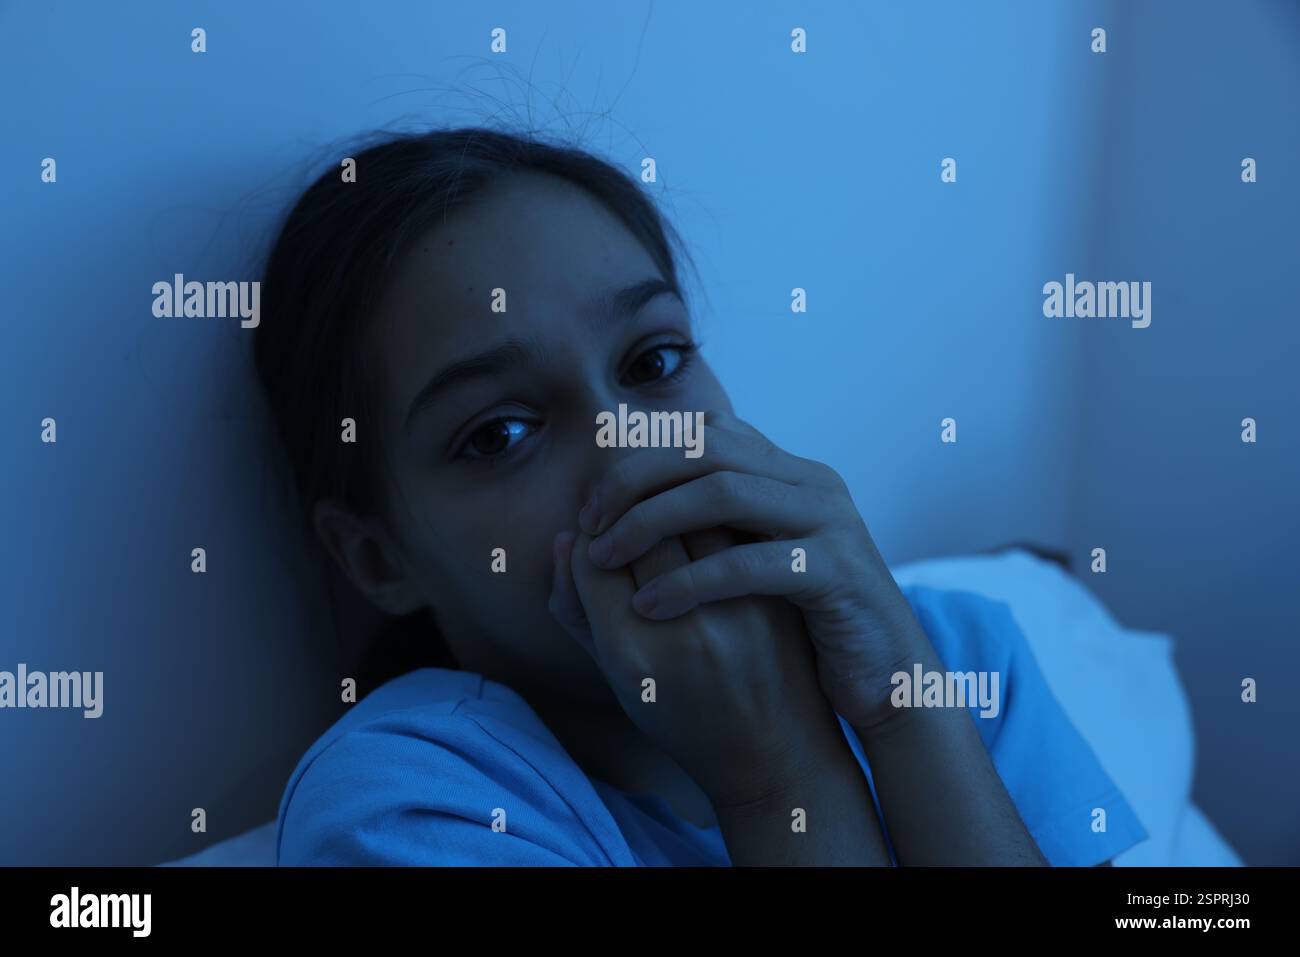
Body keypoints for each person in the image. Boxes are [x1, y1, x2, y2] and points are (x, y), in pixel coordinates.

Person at [253, 126, 1147, 866]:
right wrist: (779, 773)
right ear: (379, 556)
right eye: (500, 433)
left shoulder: (955, 651)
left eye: (653, 362)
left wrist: (903, 714)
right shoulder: (410, 806)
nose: (631, 446)